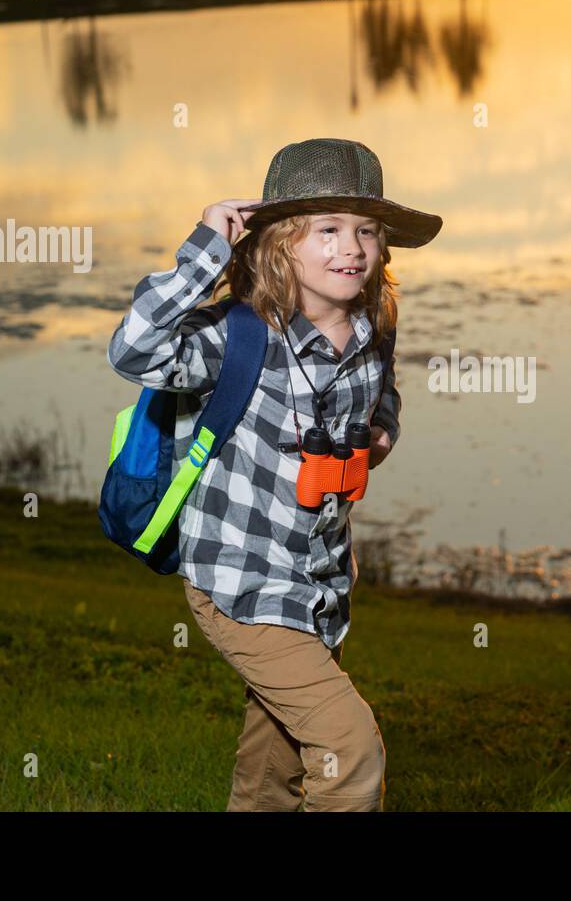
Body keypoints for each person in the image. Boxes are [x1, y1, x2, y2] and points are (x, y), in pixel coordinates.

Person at [106, 138, 443, 811]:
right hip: (239, 581)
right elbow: (133, 348)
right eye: (328, 229)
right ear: (280, 243)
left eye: (368, 231)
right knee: (348, 752)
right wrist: (206, 247)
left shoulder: (373, 326)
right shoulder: (237, 336)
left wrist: (381, 432)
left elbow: (386, 397)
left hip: (318, 584)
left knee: (273, 771)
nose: (352, 248)